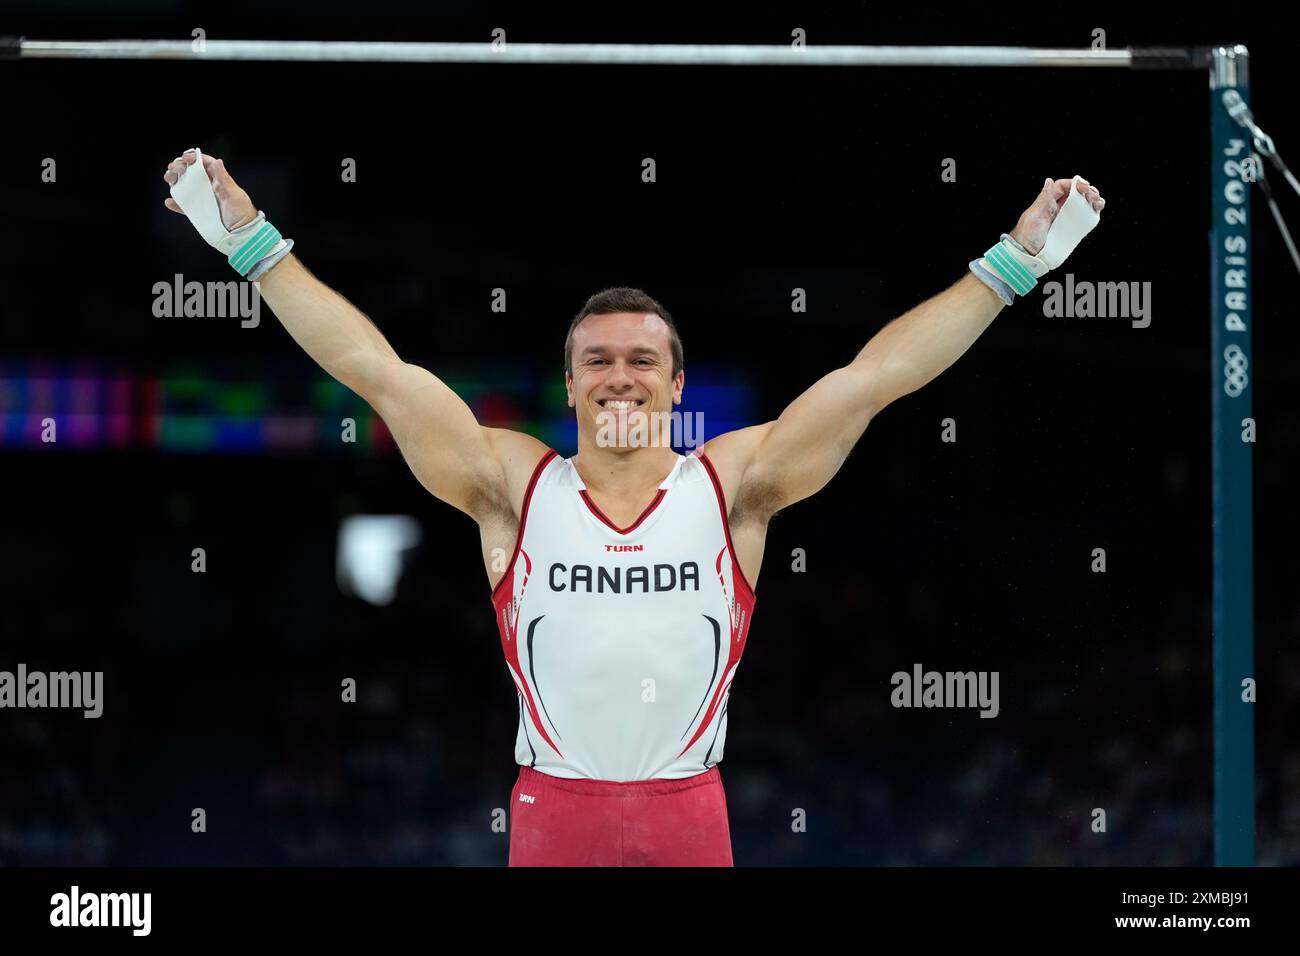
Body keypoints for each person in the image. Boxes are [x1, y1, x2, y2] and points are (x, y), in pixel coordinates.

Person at [162, 148, 1104, 865]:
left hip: (690, 813)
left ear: (677, 383)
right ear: (568, 386)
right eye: (598, 362)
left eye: (642, 360)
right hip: (552, 811)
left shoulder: (733, 485)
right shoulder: (509, 484)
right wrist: (250, 243)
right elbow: (375, 372)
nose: (621, 378)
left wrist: (1014, 263)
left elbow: (874, 380)